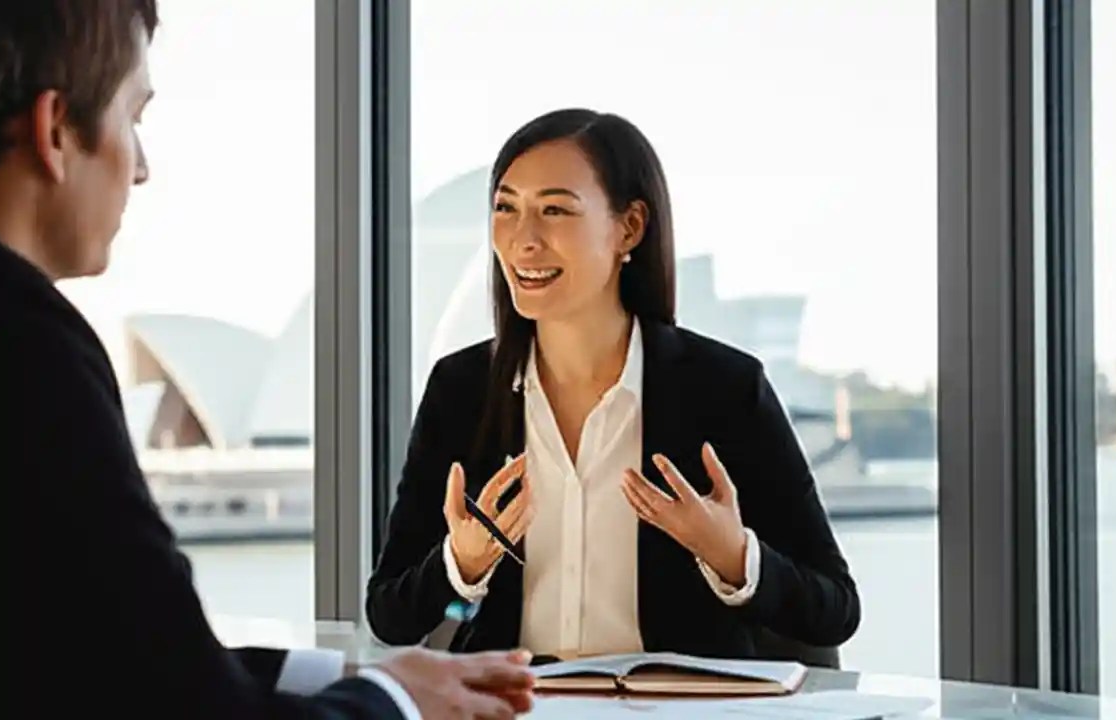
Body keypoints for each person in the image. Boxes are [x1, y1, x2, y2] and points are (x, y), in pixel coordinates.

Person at [0, 2, 534, 718]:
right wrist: (392, 698)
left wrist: (333, 674)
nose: (143, 167)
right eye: (135, 119)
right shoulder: (31, 353)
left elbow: (98, 655)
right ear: (56, 129)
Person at [367, 109, 862, 662]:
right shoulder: (462, 390)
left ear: (629, 228)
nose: (522, 240)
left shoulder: (724, 388)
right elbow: (390, 614)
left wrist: (731, 555)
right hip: (518, 705)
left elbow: (835, 610)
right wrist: (461, 564)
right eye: (506, 208)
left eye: (554, 210)